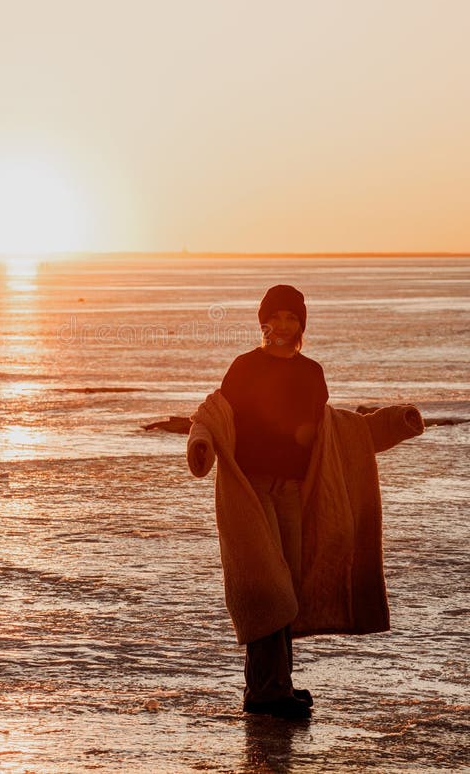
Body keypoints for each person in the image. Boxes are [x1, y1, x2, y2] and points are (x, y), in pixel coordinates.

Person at [187, 284, 424, 720]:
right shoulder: (244, 368)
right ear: (263, 323)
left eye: (291, 318)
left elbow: (338, 431)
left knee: (288, 591)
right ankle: (264, 692)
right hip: (251, 488)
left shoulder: (311, 373)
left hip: (294, 491)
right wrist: (201, 444)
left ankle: (278, 685)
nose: (281, 326)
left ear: (301, 326)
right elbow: (214, 414)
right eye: (274, 317)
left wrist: (395, 422)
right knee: (266, 591)